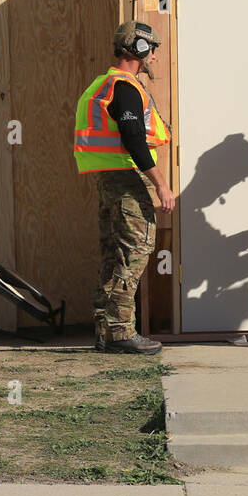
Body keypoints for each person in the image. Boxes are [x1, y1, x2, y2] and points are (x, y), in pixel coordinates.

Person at [75, 20, 175, 355]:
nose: (156, 57)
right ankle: (120, 332)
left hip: (107, 179)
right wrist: (160, 184)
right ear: (139, 48)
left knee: (112, 254)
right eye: (153, 49)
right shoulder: (125, 87)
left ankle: (106, 329)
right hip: (126, 178)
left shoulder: (102, 84)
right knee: (134, 252)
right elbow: (133, 139)